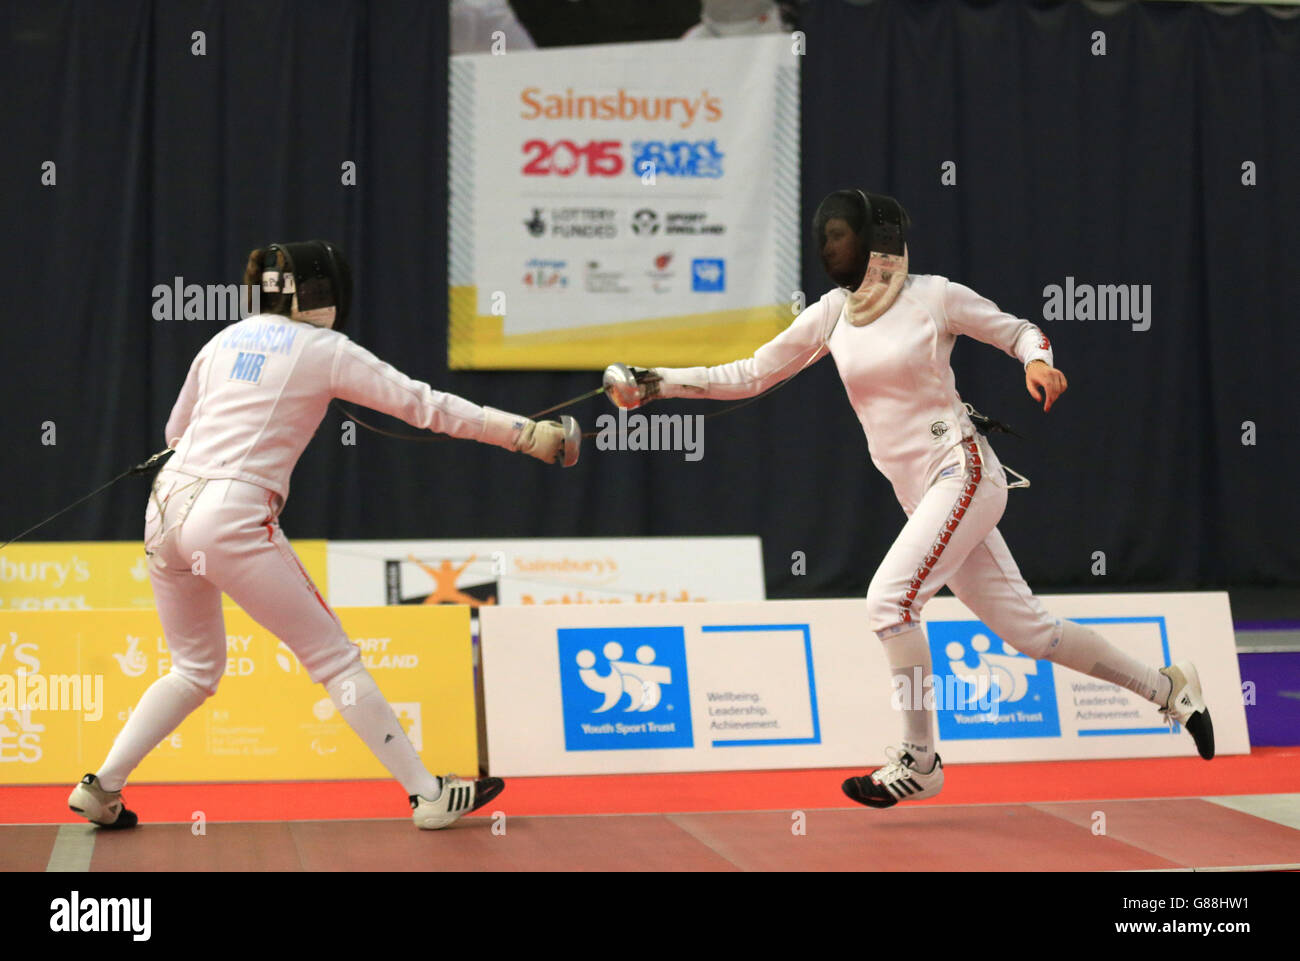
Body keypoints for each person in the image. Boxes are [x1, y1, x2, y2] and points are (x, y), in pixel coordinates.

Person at [604, 190, 1213, 808]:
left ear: (875, 240)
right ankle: (1165, 686)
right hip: (921, 494)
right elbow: (751, 374)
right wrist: (659, 384)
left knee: (889, 602)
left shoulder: (934, 296)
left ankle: (920, 760)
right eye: (826, 238)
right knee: (1032, 633)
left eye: (841, 236)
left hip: (964, 471)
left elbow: (1020, 330)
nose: (829, 248)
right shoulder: (832, 315)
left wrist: (1038, 361)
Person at [67, 241, 577, 830]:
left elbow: (176, 430)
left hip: (164, 511)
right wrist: (523, 433)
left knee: (193, 668)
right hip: (230, 512)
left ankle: (102, 786)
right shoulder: (326, 348)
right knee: (334, 660)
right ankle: (427, 794)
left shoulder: (222, 340)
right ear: (324, 293)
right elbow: (423, 405)